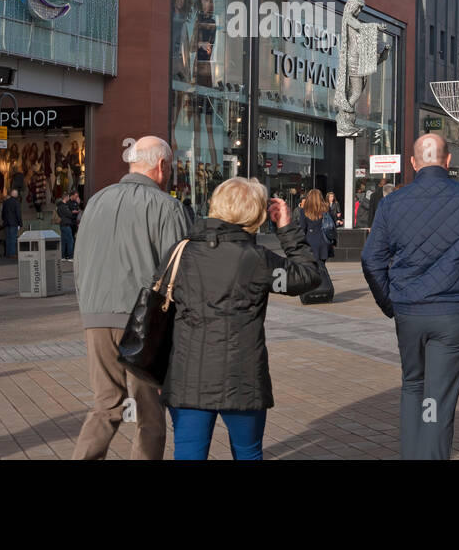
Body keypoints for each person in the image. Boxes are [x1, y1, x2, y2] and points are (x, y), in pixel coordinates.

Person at [361, 133, 459, 460]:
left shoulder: (392, 202)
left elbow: (371, 260)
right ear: (448, 160)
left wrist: (390, 303)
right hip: (453, 312)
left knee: (414, 386)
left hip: (409, 311)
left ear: (413, 163)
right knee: (437, 399)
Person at [162, 180, 320, 459]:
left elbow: (162, 301)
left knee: (187, 454)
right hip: (242, 377)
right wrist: (286, 228)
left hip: (189, 374)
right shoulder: (256, 258)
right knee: (248, 453)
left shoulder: (181, 252)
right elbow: (307, 277)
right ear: (254, 214)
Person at [73, 136, 190, 460]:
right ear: (161, 165)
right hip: (143, 325)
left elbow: (78, 260)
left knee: (106, 404)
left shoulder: (95, 201)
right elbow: (179, 274)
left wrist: (88, 308)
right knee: (148, 415)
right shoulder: (168, 208)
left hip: (96, 317)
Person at [294, 189, 338, 303]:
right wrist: (333, 242)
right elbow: (332, 226)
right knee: (322, 267)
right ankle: (323, 289)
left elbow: (303, 228)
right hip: (324, 242)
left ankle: (314, 291)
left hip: (310, 242)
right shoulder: (326, 209)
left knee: (311, 268)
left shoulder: (304, 211)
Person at [0, 187, 22, 258]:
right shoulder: (16, 202)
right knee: (13, 239)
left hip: (6, 223)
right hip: (14, 223)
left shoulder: (5, 202)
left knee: (7, 239)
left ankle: (7, 254)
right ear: (16, 195)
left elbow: (3, 213)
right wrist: (20, 223)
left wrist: (4, 220)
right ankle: (12, 254)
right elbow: (18, 214)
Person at [54, 193, 76, 259]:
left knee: (63, 242)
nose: (69, 198)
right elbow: (69, 214)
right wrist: (72, 212)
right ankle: (70, 256)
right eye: (68, 197)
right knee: (70, 241)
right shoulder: (63, 206)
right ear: (65, 197)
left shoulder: (59, 206)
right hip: (66, 226)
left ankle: (62, 256)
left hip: (62, 225)